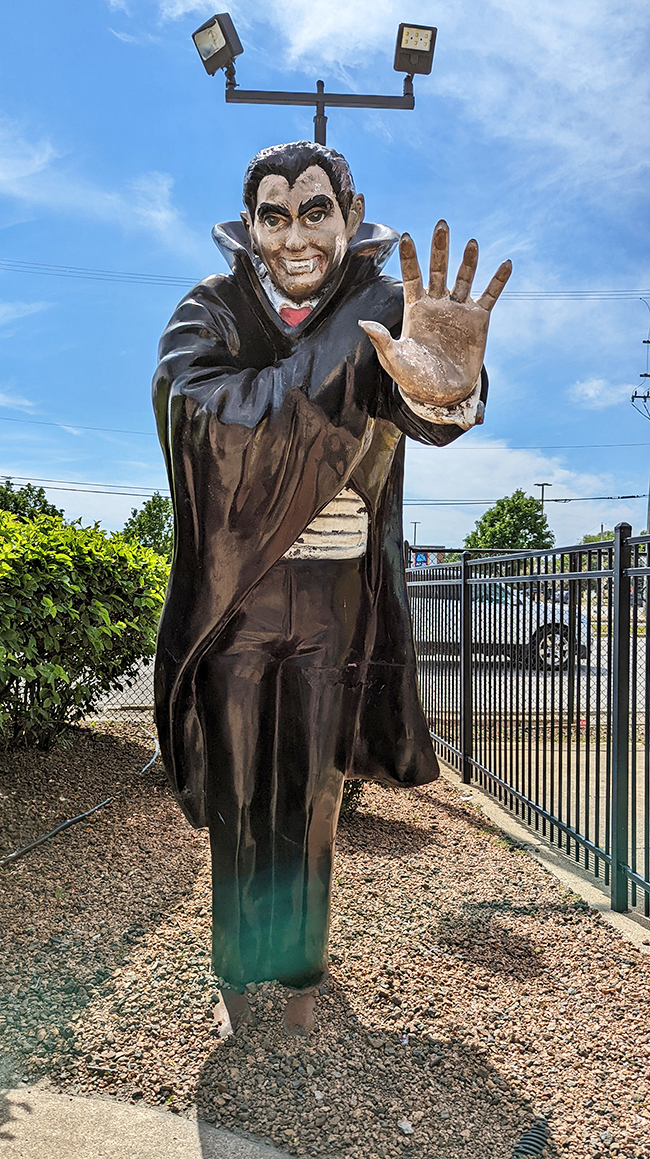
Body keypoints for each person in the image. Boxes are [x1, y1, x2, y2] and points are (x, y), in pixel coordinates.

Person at [152, 141, 510, 1035]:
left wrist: (447, 392)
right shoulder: (213, 307)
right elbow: (197, 410)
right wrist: (337, 399)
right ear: (250, 227)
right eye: (275, 215)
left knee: (311, 794)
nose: (295, 235)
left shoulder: (381, 307)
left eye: (316, 211)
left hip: (330, 610)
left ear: (350, 218)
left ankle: (301, 972)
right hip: (235, 607)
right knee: (239, 792)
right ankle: (238, 969)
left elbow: (421, 395)